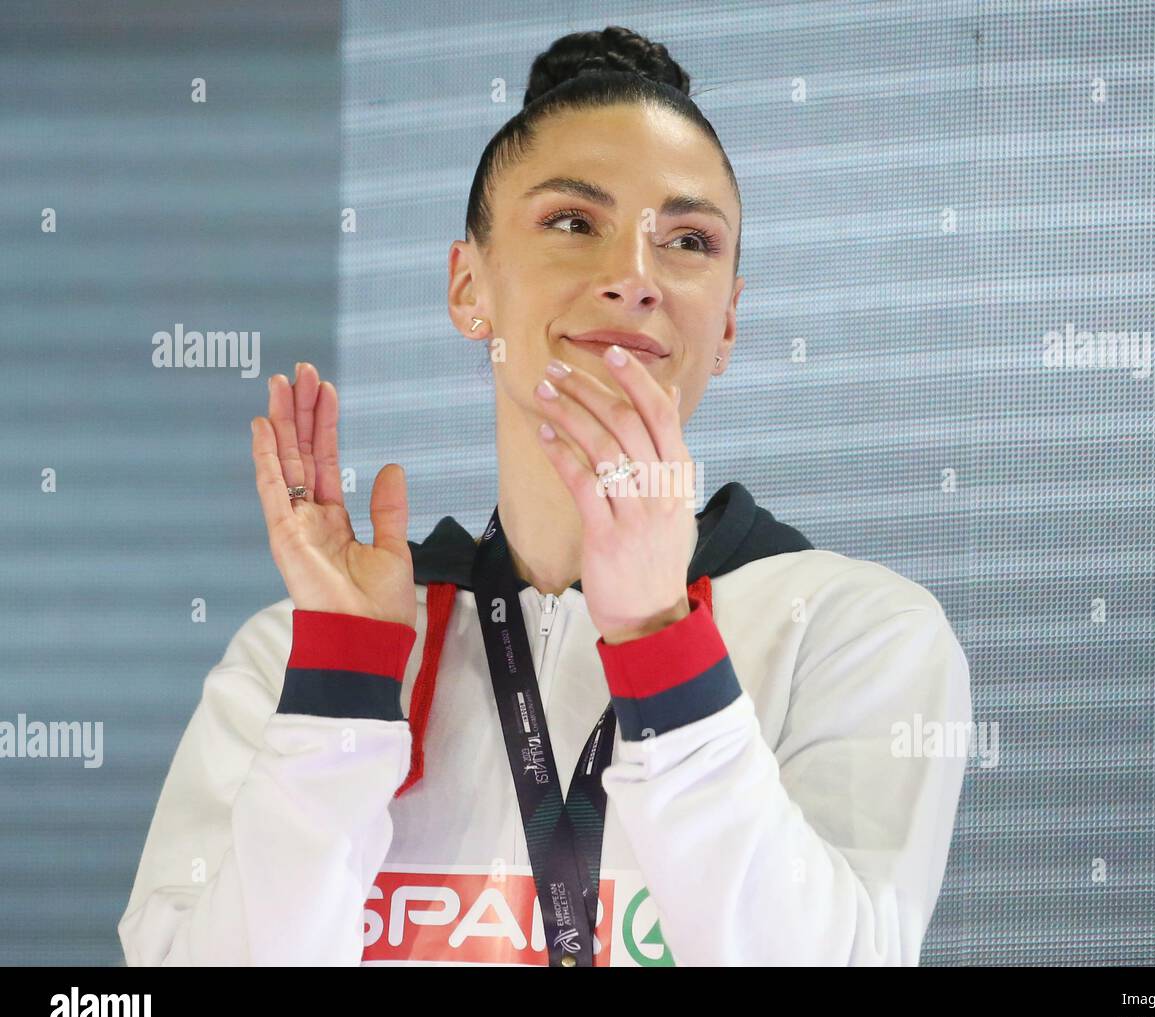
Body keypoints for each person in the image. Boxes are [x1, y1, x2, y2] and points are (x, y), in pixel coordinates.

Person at [117, 26, 971, 967]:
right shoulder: (303, 648)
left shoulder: (854, 632)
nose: (632, 279)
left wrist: (664, 647)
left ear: (726, 321)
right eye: (574, 222)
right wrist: (342, 695)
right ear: (468, 286)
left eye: (688, 240)